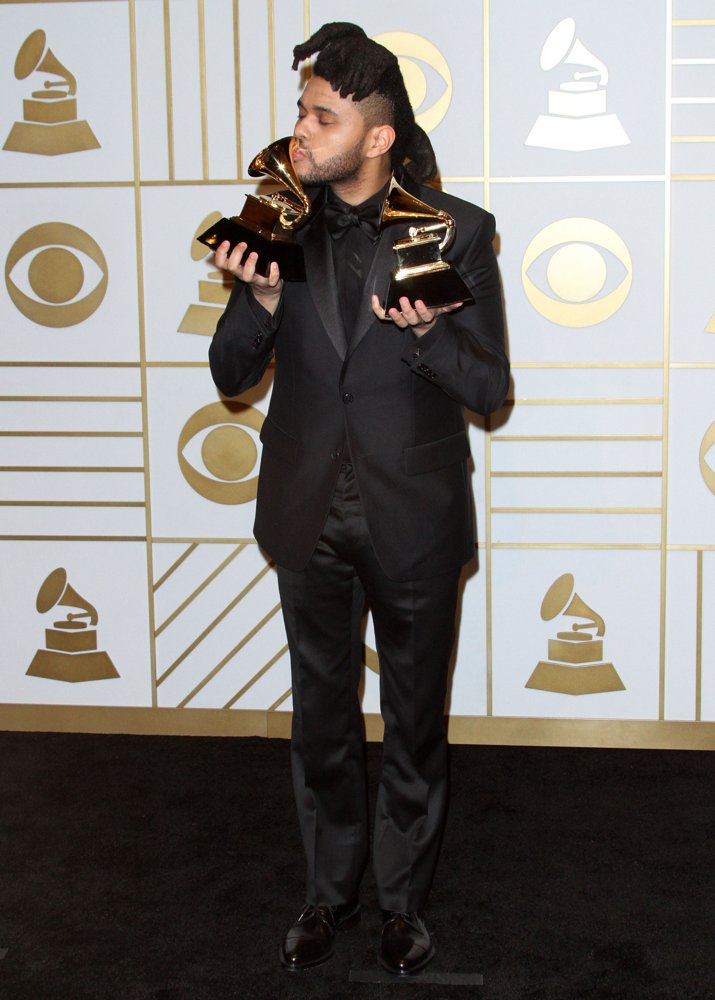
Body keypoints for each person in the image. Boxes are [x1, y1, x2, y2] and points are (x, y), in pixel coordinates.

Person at [209, 22, 509, 976]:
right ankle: (326, 894)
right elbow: (228, 373)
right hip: (306, 511)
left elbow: (488, 389)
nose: (300, 129)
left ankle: (401, 902)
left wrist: (424, 335)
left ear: (375, 137)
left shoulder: (454, 230)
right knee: (319, 719)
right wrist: (255, 304)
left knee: (414, 719)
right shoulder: (273, 221)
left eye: (320, 115)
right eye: (301, 110)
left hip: (412, 516)